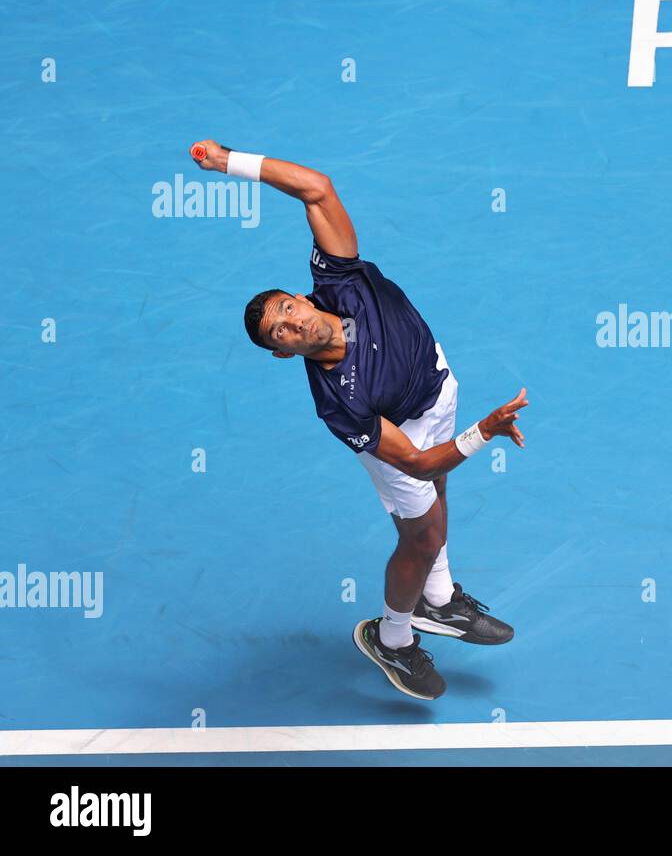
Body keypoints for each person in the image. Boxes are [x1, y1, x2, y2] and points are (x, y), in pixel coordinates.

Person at [192, 140, 527, 700]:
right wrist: (482, 432)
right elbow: (418, 462)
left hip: (435, 385)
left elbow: (315, 187)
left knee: (439, 497)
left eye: (289, 310)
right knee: (421, 537)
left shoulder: (343, 279)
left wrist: (228, 162)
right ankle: (392, 638)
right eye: (280, 333)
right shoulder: (339, 402)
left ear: (303, 298)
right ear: (283, 353)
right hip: (403, 438)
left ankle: (438, 600)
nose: (293, 325)